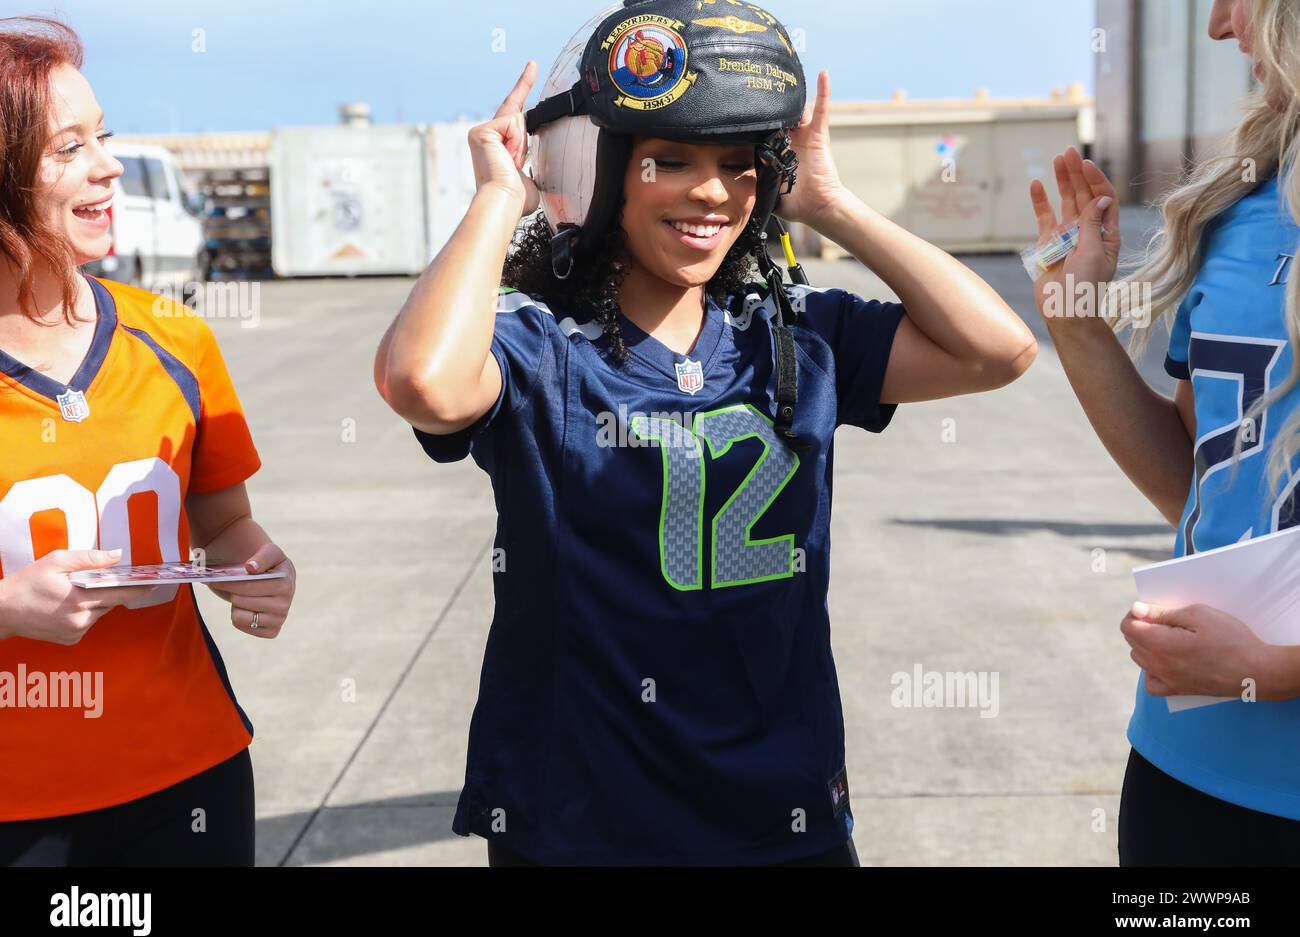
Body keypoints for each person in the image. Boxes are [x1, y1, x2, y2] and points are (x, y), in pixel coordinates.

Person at [376, 0, 1036, 865]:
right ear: (599, 169)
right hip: (584, 814)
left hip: (777, 809)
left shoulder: (796, 332)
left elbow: (1000, 349)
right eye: (670, 159)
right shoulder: (538, 345)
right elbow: (421, 380)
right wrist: (503, 200)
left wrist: (831, 203)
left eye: (739, 163)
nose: (712, 191)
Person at [0, 17, 296, 866]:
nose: (108, 167)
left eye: (105, 136)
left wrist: (259, 568)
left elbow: (225, 523)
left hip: (188, 776)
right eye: (68, 149)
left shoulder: (174, 336)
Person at [1028, 0, 1300, 867]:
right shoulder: (1245, 204)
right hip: (1184, 772)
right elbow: (1199, 481)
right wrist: (1075, 320)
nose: (1219, 25)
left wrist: (1274, 670)